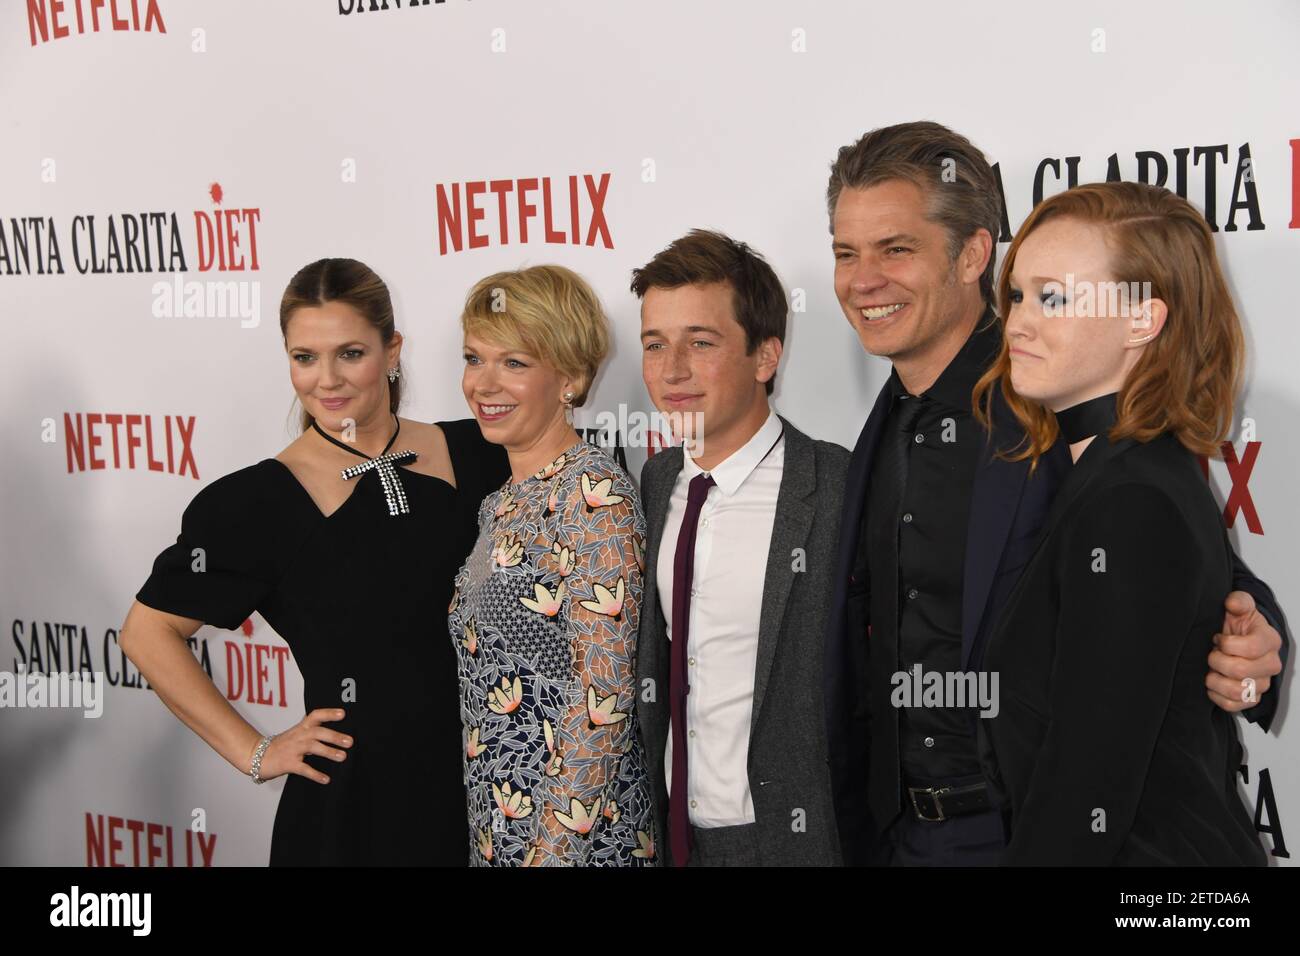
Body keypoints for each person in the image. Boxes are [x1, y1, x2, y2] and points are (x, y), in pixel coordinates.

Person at [821, 122, 1290, 866]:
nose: (863, 280)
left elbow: (1163, 547)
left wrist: (1256, 628)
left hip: (1023, 834)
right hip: (900, 833)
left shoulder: (1064, 396)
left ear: (972, 254)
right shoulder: (882, 425)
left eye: (895, 249)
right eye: (846, 253)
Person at [122, 257, 508, 865]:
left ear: (392, 351)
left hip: (494, 794)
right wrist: (256, 752)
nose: (327, 380)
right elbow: (147, 632)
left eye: (350, 353)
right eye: (305, 357)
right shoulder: (255, 503)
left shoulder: (480, 452)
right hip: (354, 814)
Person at [973, 181, 1266, 865]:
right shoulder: (1124, 472)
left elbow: (1084, 794)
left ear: (1142, 321)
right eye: (1016, 295)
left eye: (1053, 298)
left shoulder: (1130, 498)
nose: (1016, 323)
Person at [632, 230, 848, 866]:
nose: (672, 370)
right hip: (675, 840)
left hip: (795, 842)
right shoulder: (654, 481)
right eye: (654, 344)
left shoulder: (835, 486)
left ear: (765, 356)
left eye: (700, 342)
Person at [448, 264, 656, 866]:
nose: (484, 383)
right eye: (474, 358)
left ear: (570, 377)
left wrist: (551, 854)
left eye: (513, 362)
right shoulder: (500, 502)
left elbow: (603, 702)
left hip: (580, 841)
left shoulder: (593, 496)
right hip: (502, 830)